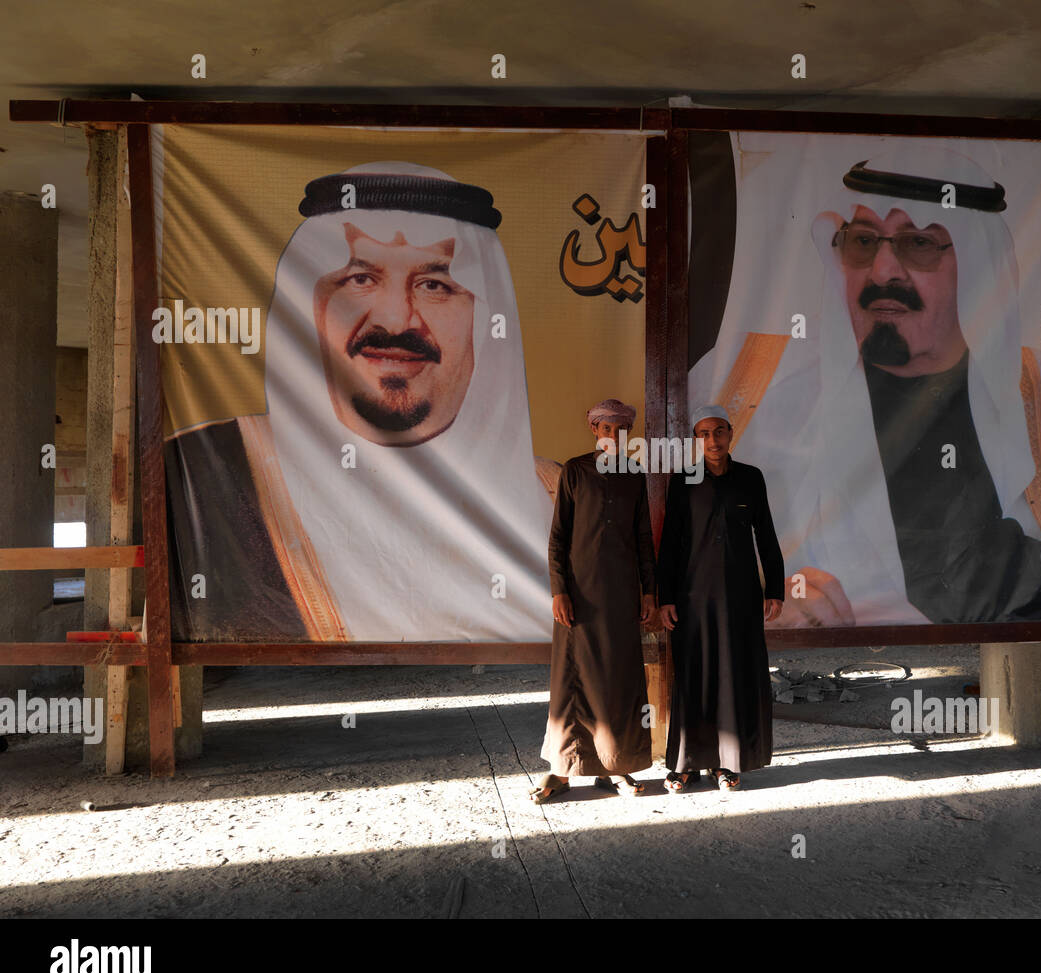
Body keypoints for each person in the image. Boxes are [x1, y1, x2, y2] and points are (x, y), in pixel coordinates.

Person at [164, 162, 555, 642]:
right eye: (359, 280)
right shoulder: (203, 473)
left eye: (435, 286)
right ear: (311, 308)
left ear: (486, 321)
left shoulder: (556, 497)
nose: (394, 321)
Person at [698, 144, 1041, 626]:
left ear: (979, 265)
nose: (881, 271)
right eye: (863, 241)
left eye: (918, 243)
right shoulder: (761, 389)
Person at [531, 399, 656, 803]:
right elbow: (558, 538)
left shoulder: (635, 476)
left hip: (621, 597)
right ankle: (562, 772)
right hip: (578, 597)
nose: (614, 435)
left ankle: (617, 768)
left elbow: (642, 540)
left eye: (622, 429)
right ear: (594, 430)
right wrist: (559, 590)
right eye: (607, 428)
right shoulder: (576, 470)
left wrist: (649, 592)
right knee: (571, 681)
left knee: (619, 681)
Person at [656, 405, 784, 792]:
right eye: (704, 433)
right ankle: (686, 764)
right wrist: (665, 598)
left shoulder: (750, 478)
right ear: (697, 439)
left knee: (734, 676)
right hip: (692, 597)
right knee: (694, 676)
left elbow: (766, 534)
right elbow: (671, 545)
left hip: (740, 597)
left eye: (719, 431)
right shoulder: (683, 481)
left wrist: (774, 589)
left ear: (731, 433)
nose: (713, 440)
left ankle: (728, 763)